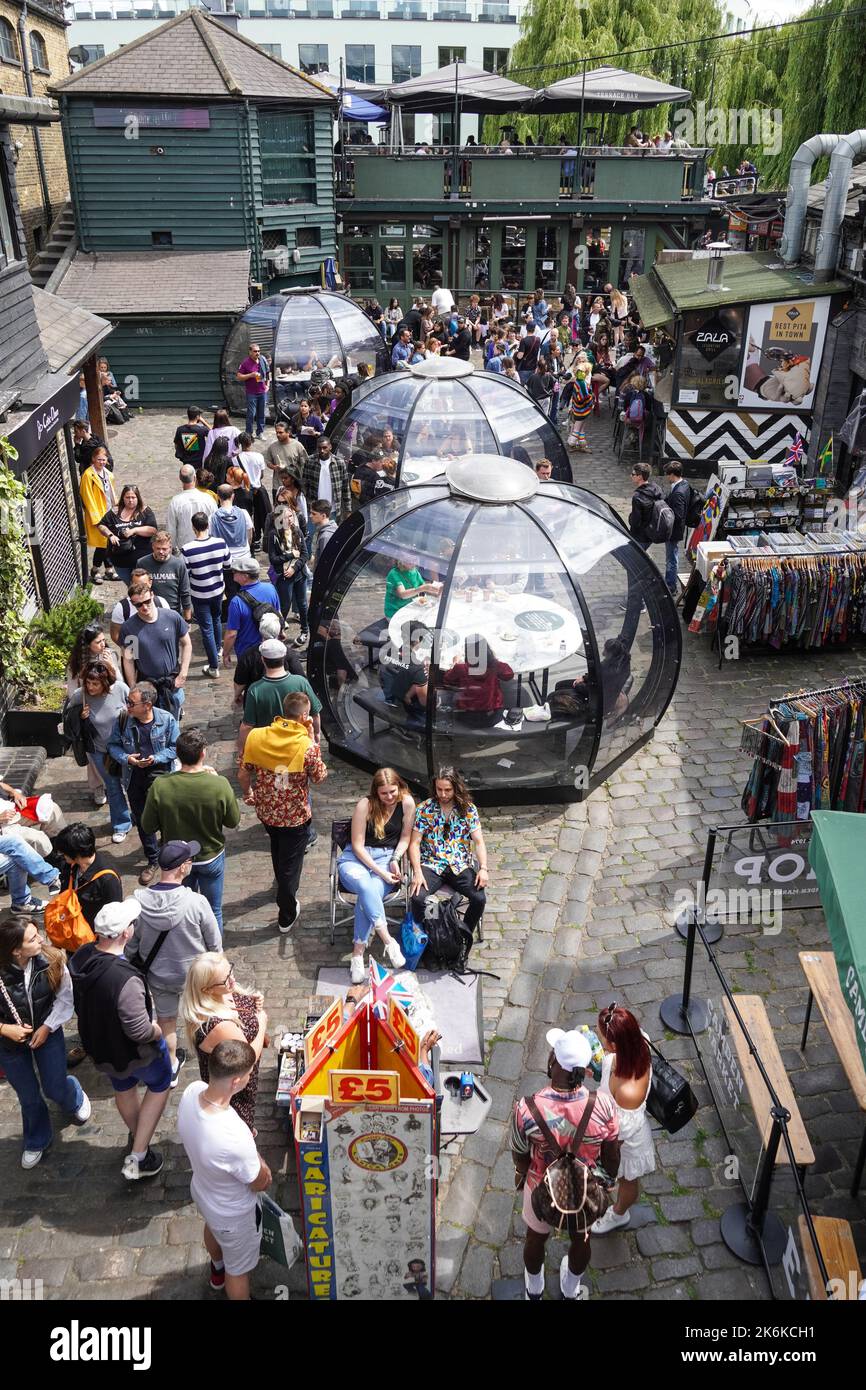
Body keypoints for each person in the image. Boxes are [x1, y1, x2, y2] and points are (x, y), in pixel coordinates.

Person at [511, 1028, 620, 1300]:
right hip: (585, 1188)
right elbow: (612, 1154)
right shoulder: (604, 1105)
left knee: (535, 1238)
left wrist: (521, 1173)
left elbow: (520, 1153)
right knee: (582, 1239)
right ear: (583, 1071)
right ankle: (570, 1289)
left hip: (540, 1183)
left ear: (552, 1062)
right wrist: (608, 1181)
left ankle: (533, 1288)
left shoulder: (527, 1109)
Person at [70, 897, 173, 1180]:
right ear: (126, 933)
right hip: (135, 1051)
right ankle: (138, 1156)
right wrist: (157, 1031)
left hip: (104, 1047)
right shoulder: (123, 978)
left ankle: (136, 1134)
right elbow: (139, 1030)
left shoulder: (82, 958)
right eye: (132, 924)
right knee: (161, 1084)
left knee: (124, 1087)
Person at [176, 1038, 272, 1300]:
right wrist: (261, 1164)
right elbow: (259, 1181)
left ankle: (216, 1271)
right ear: (236, 1082)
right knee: (238, 1271)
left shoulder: (191, 1091)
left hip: (204, 1193)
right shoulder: (234, 1135)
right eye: (248, 1074)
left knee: (213, 1228)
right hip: (234, 1213)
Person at [0, 914, 90, 1170]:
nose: (41, 938)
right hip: (9, 1043)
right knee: (28, 1096)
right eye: (33, 938)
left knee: (54, 1086)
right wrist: (5, 1029)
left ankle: (72, 1094)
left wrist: (47, 1026)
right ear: (16, 950)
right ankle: (37, 1138)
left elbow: (65, 999)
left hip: (47, 1032)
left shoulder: (52, 961)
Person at [129, 843, 220, 1082]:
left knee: (166, 1022)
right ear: (183, 867)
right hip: (195, 977)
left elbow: (131, 946)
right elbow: (214, 943)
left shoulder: (138, 903)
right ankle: (210, 1061)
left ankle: (170, 1068)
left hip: (159, 977)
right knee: (202, 1018)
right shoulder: (196, 902)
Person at [238, 691, 327, 934]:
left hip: (266, 811)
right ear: (305, 715)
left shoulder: (256, 736)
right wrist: (311, 738)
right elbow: (319, 777)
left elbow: (244, 773)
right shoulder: (306, 746)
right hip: (295, 815)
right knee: (290, 864)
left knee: (277, 849)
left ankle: (282, 882)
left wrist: (248, 793)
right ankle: (286, 910)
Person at [141, 731, 239, 934]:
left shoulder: (161, 786)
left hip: (177, 860)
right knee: (213, 910)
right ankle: (215, 959)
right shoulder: (219, 784)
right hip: (210, 857)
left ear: (177, 755)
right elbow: (233, 821)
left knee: (182, 910)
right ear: (203, 753)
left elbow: (147, 825)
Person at [339, 769, 414, 984]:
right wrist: (382, 872)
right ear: (376, 792)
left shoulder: (407, 803)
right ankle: (388, 940)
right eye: (384, 794)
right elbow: (357, 846)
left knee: (366, 895)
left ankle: (357, 955)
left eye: (393, 791)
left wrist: (395, 859)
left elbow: (405, 837)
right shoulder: (366, 805)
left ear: (399, 787)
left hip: (386, 858)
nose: (389, 797)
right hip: (356, 859)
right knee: (365, 885)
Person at [181, 955, 268, 1138]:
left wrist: (253, 1001)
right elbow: (249, 1057)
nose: (233, 980)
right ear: (207, 989)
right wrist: (262, 1022)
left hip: (236, 1081)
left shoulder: (220, 990)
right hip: (232, 1087)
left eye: (230, 970)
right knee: (238, 1129)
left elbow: (238, 998)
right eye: (226, 979)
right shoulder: (219, 1026)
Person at [590, 1003, 656, 1234]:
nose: (600, 1043)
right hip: (613, 1129)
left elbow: (619, 1133)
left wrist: (602, 1161)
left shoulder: (629, 1092)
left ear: (615, 1045)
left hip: (624, 1141)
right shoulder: (640, 1041)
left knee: (627, 1180)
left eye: (601, 1038)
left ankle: (619, 1213)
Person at [107, 683, 180, 887]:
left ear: (147, 705)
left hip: (161, 776)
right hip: (133, 776)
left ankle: (168, 853)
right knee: (142, 820)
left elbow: (175, 747)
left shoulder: (166, 720)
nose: (127, 705)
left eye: (131, 702)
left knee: (165, 817)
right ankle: (153, 859)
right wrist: (127, 758)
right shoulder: (123, 720)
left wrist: (155, 758)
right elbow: (112, 745)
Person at [409, 768, 488, 938]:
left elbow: (479, 842)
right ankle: (429, 936)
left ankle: (463, 935)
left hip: (459, 864)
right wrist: (417, 871)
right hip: (432, 863)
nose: (443, 794)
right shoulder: (425, 809)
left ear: (456, 788)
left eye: (448, 790)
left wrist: (483, 868)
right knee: (418, 898)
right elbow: (414, 843)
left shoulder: (468, 809)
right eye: (439, 789)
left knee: (479, 898)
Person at [66, 660, 132, 841]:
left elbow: (135, 708)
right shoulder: (81, 695)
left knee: (131, 783)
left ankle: (142, 817)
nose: (90, 687)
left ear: (106, 682)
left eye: (95, 683)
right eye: (87, 682)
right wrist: (80, 716)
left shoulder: (120, 689)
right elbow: (68, 719)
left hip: (124, 747)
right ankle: (121, 824)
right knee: (112, 786)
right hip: (99, 750)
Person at [120, 583, 191, 719]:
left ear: (152, 595)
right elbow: (128, 660)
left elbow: (186, 643)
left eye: (147, 601)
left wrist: (183, 673)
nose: (144, 607)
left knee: (173, 724)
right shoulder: (129, 628)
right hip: (147, 687)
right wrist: (133, 687)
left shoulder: (171, 617)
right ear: (133, 603)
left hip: (172, 684)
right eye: (139, 605)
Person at [239, 638, 321, 750]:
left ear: (263, 660)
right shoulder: (301, 682)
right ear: (284, 658)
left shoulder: (255, 690)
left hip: (268, 748)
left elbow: (247, 726)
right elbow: (315, 713)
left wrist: (242, 750)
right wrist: (316, 734)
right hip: (297, 746)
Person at [182, 511, 231, 679]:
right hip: (218, 590)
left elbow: (186, 573)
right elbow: (228, 565)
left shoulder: (187, 549)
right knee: (216, 619)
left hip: (200, 593)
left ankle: (213, 665)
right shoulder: (220, 543)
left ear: (194, 527)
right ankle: (218, 649)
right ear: (208, 525)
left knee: (206, 628)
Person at [54, 822, 123, 928]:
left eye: (64, 853)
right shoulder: (71, 865)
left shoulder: (108, 879)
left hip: (92, 932)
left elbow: (114, 916)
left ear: (76, 854)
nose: (62, 856)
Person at [441, 634, 514, 727]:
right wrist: (494, 659)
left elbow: (447, 679)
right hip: (493, 717)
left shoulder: (461, 668)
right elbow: (509, 675)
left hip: (467, 717)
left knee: (451, 692)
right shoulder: (495, 666)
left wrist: (454, 663)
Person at [221, 557, 281, 667]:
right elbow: (278, 615)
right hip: (270, 650)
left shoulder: (236, 602)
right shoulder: (271, 588)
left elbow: (231, 634)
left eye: (235, 571)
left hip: (247, 654)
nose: (232, 573)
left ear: (245, 576)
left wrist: (225, 653)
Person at [267, 492, 310, 646]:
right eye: (286, 517)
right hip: (284, 576)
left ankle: (305, 630)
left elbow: (305, 555)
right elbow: (273, 559)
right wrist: (291, 554)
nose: (289, 520)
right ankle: (279, 631)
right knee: (284, 606)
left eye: (291, 516)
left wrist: (295, 567)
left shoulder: (297, 531)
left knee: (303, 604)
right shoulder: (274, 535)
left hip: (298, 574)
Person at [98, 484, 157, 585]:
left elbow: (152, 530)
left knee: (140, 587)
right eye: (127, 497)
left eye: (133, 497)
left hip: (141, 561)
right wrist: (110, 535)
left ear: (138, 498)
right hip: (120, 560)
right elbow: (101, 525)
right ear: (123, 498)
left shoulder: (145, 511)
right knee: (130, 586)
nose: (130, 500)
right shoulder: (114, 511)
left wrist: (134, 530)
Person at [79, 445, 118, 585]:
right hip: (98, 514)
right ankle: (95, 569)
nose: (102, 462)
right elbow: (87, 496)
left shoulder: (107, 473)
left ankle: (108, 568)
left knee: (107, 542)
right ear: (93, 459)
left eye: (104, 459)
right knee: (103, 543)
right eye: (99, 459)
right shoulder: (88, 475)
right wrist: (96, 517)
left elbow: (111, 492)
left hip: (108, 512)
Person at [380, 620, 429, 724]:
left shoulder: (389, 652)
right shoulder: (418, 669)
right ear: (416, 641)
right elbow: (424, 702)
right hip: (407, 706)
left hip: (392, 695)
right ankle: (411, 730)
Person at [138, 531, 193, 619]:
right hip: (150, 611)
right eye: (158, 548)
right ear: (152, 547)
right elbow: (137, 589)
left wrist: (187, 619)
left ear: (170, 548)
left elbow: (185, 592)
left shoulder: (178, 564)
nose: (161, 552)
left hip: (173, 613)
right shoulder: (142, 563)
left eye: (164, 549)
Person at [301, 436, 352, 525]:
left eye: (324, 448)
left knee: (329, 536)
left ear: (330, 447)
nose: (322, 451)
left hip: (332, 510)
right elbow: (304, 484)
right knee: (311, 536)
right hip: (314, 509)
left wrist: (348, 510)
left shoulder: (339, 463)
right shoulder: (310, 461)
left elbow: (345, 488)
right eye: (319, 448)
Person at [109, 569, 168, 645]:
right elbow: (115, 635)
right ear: (131, 584)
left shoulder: (162, 603)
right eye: (136, 585)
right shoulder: (122, 608)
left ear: (150, 583)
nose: (140, 588)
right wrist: (132, 651)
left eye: (144, 585)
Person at [210, 482, 254, 582]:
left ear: (218, 497)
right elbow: (250, 534)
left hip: (224, 561)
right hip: (244, 557)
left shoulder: (212, 517)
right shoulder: (244, 513)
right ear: (233, 496)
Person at [167, 465, 216, 551]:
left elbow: (171, 528)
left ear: (180, 478)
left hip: (185, 548)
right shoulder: (208, 499)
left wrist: (173, 548)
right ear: (194, 477)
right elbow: (215, 523)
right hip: (207, 546)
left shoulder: (175, 501)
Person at [235, 431, 270, 548]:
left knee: (246, 517)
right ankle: (260, 538)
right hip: (258, 489)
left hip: (243, 491)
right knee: (261, 515)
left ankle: (250, 539)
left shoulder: (235, 459)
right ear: (252, 442)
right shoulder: (259, 456)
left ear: (240, 443)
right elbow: (261, 475)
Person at [663, 462, 691, 595]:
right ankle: (670, 583)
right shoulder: (684, 484)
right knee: (672, 556)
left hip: (674, 531)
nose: (666, 477)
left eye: (667, 474)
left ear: (673, 475)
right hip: (677, 529)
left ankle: (670, 586)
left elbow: (678, 515)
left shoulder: (678, 492)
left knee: (671, 558)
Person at [384, 556, 438, 621]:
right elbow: (403, 595)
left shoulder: (414, 571)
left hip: (410, 609)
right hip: (395, 613)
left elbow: (424, 587)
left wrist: (437, 592)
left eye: (415, 560)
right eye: (410, 561)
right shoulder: (394, 573)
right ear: (401, 561)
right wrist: (421, 589)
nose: (413, 563)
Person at [265, 420, 307, 502]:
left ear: (288, 432)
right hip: (278, 486)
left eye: (281, 432)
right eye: (277, 432)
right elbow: (268, 462)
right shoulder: (272, 447)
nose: (278, 435)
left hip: (294, 486)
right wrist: (274, 467)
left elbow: (305, 463)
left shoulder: (297, 446)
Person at [235, 342, 270, 439]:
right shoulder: (245, 363)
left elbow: (267, 373)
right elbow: (239, 376)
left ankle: (260, 432)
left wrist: (268, 384)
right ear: (250, 352)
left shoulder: (262, 359)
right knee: (251, 413)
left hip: (262, 391)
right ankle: (249, 433)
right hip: (251, 392)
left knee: (262, 413)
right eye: (255, 351)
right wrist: (251, 375)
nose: (257, 353)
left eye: (259, 351)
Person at [628, 462, 664, 551]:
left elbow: (636, 522)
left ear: (640, 477)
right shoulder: (657, 489)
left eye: (633, 474)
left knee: (634, 562)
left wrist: (630, 519)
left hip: (641, 536)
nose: (631, 476)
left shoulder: (638, 497)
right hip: (652, 533)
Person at [309, 498, 337, 570]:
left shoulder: (326, 536)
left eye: (314, 514)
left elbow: (326, 564)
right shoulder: (328, 529)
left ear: (323, 516)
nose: (310, 516)